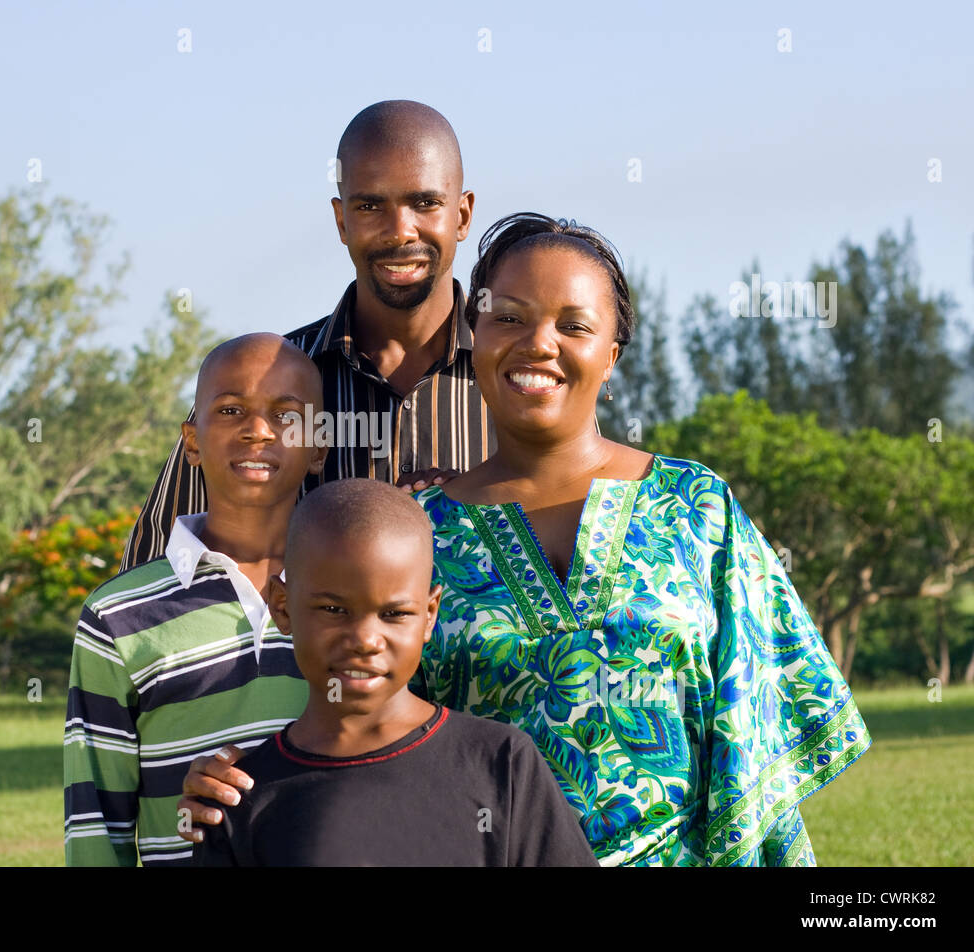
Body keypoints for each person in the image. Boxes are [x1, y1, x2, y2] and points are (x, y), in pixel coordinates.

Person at [181, 213, 872, 867]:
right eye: (508, 317)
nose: (538, 342)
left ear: (611, 355)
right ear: (474, 335)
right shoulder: (418, 529)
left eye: (574, 325)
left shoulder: (699, 511)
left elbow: (761, 740)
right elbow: (349, 720)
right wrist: (242, 782)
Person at [120, 100, 490, 570]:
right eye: (371, 205)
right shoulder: (256, 386)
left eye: (424, 203)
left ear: (461, 215)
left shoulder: (525, 382)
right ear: (342, 221)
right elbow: (154, 584)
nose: (401, 231)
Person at [193, 478, 599, 866]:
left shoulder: (501, 764)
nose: (366, 639)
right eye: (334, 610)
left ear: (429, 615)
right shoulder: (240, 794)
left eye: (394, 614)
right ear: (282, 607)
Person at [63, 333, 326, 865]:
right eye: (231, 410)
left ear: (319, 444)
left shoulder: (358, 598)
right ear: (192, 440)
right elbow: (97, 826)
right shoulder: (116, 616)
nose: (257, 430)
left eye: (285, 415)